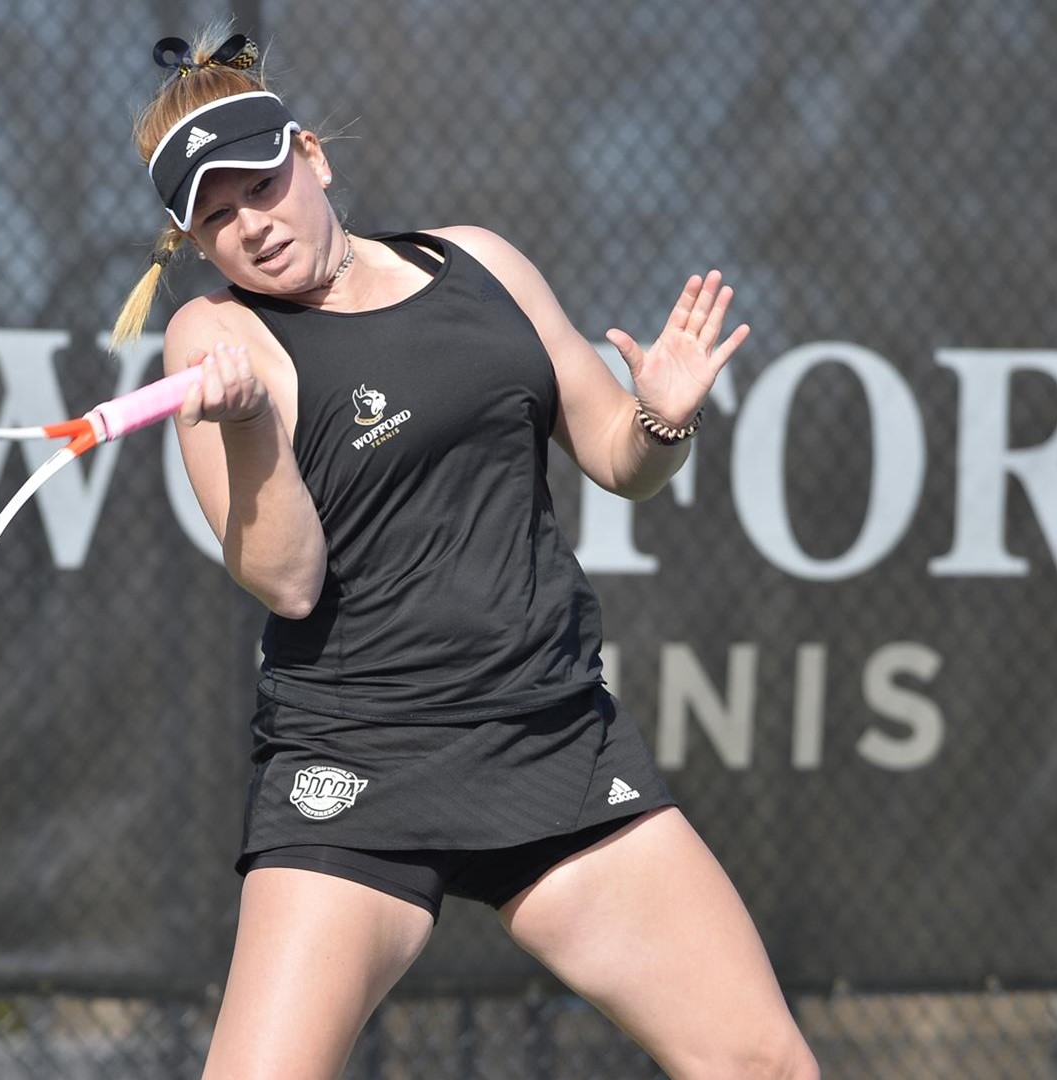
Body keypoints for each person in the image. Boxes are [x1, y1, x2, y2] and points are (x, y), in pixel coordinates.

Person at [112, 29, 820, 1080]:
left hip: (551, 740)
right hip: (356, 763)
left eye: (260, 186)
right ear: (194, 242)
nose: (250, 225)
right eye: (215, 218)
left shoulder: (481, 264)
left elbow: (620, 460)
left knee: (764, 1065)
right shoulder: (217, 337)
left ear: (313, 157)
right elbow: (288, 580)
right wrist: (252, 424)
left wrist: (663, 418)